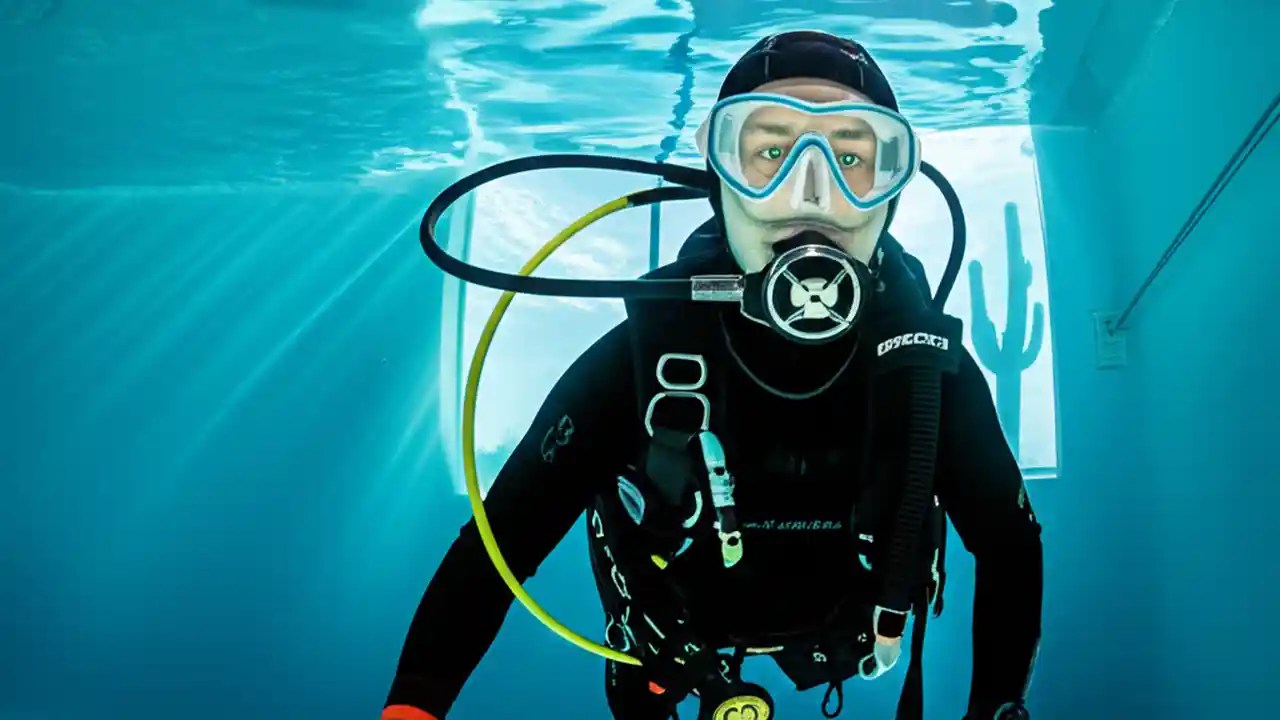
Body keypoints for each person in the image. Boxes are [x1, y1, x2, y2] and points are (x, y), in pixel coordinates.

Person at [385, 30, 1042, 720]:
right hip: (674, 657)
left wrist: (996, 709)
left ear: (892, 190)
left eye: (851, 156)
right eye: (768, 153)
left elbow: (1010, 542)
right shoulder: (642, 357)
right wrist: (412, 709)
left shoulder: (928, 370)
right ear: (718, 177)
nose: (811, 195)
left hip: (851, 643)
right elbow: (499, 545)